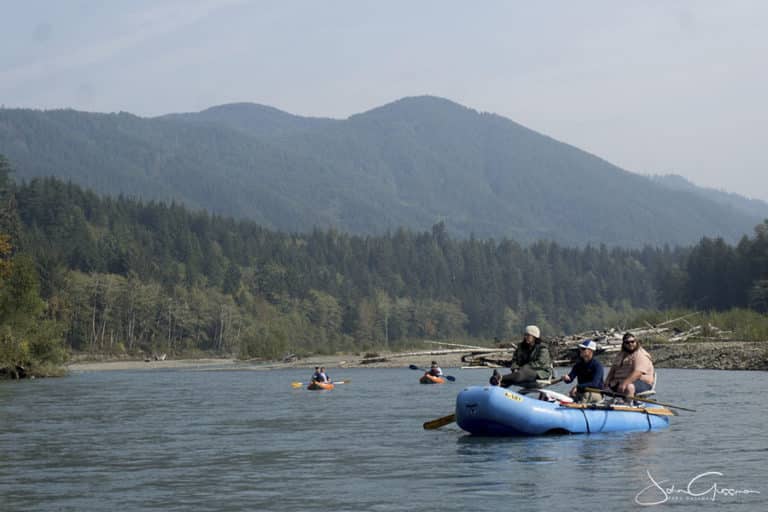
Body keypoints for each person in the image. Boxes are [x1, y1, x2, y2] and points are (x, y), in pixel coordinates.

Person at [605, 332, 654, 397]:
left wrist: (624, 384)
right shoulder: (620, 355)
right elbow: (612, 370)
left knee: (629, 387)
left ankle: (628, 403)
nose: (630, 344)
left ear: (636, 342)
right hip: (618, 381)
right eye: (627, 342)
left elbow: (637, 373)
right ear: (624, 344)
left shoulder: (641, 354)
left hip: (641, 382)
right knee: (600, 385)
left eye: (632, 341)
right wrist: (606, 382)